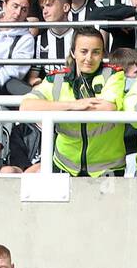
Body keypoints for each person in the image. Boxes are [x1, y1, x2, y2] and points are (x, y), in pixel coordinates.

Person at [19, 27, 126, 176]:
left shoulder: (114, 75)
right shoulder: (56, 79)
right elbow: (26, 106)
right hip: (64, 165)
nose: (89, 58)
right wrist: (73, 105)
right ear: (72, 52)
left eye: (96, 52)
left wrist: (57, 108)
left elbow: (107, 108)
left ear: (102, 54)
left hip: (108, 168)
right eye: (83, 51)